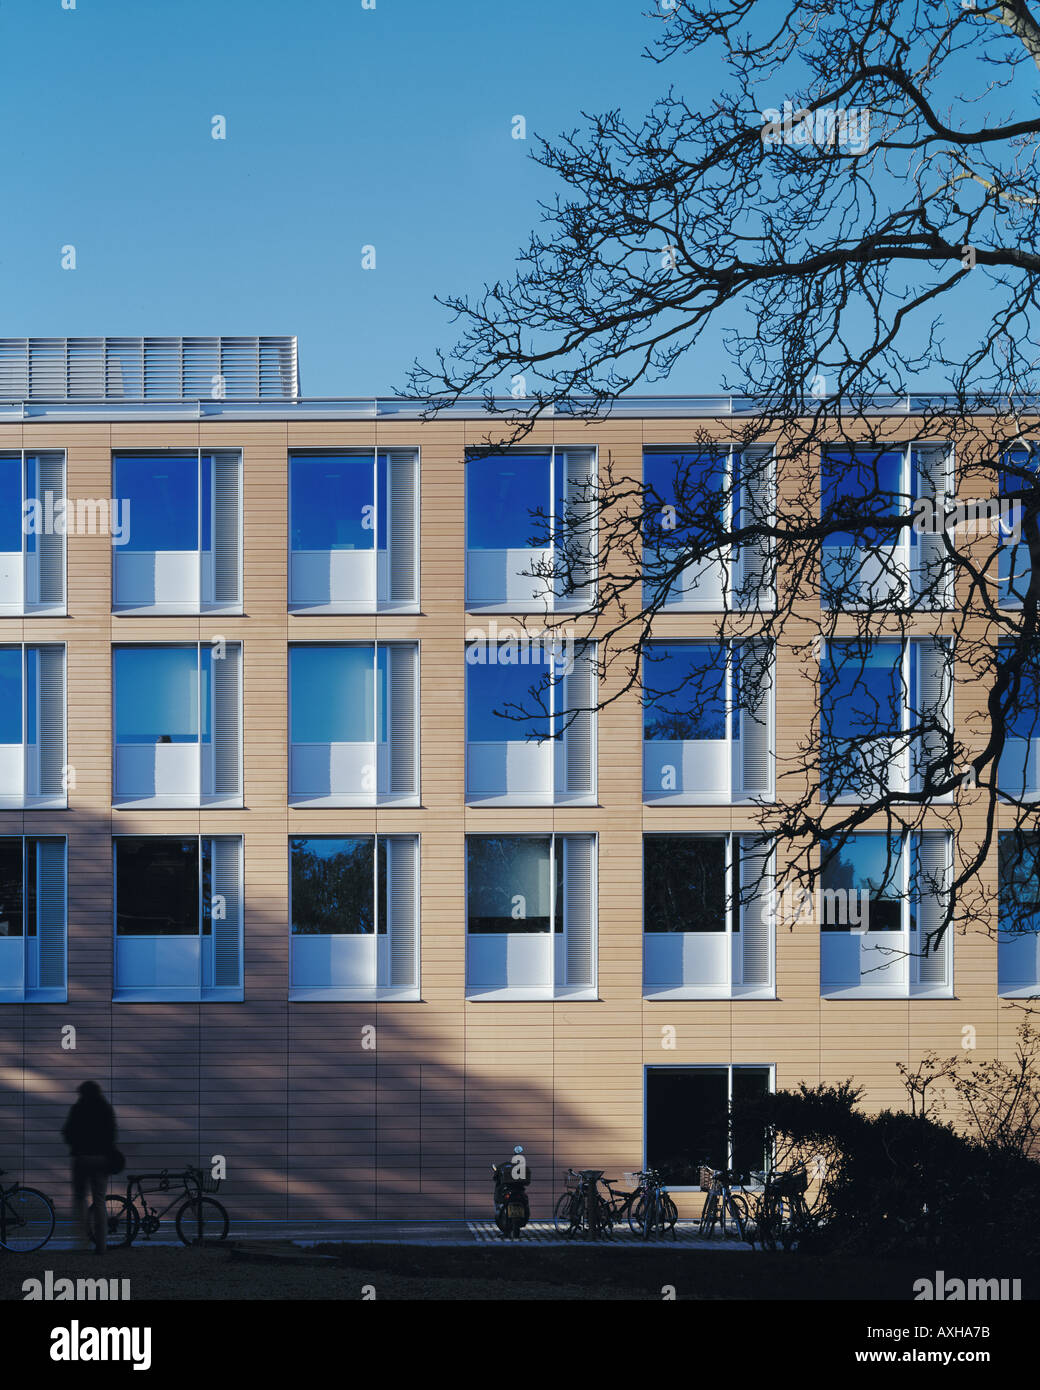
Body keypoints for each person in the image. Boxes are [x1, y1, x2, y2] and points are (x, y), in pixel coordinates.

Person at [61, 1081, 117, 1255]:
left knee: (80, 1199)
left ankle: (83, 1241)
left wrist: (77, 1146)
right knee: (99, 1201)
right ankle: (101, 1245)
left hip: (82, 1158)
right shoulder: (105, 1109)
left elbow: (67, 1131)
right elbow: (112, 1134)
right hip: (101, 1160)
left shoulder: (78, 1108)